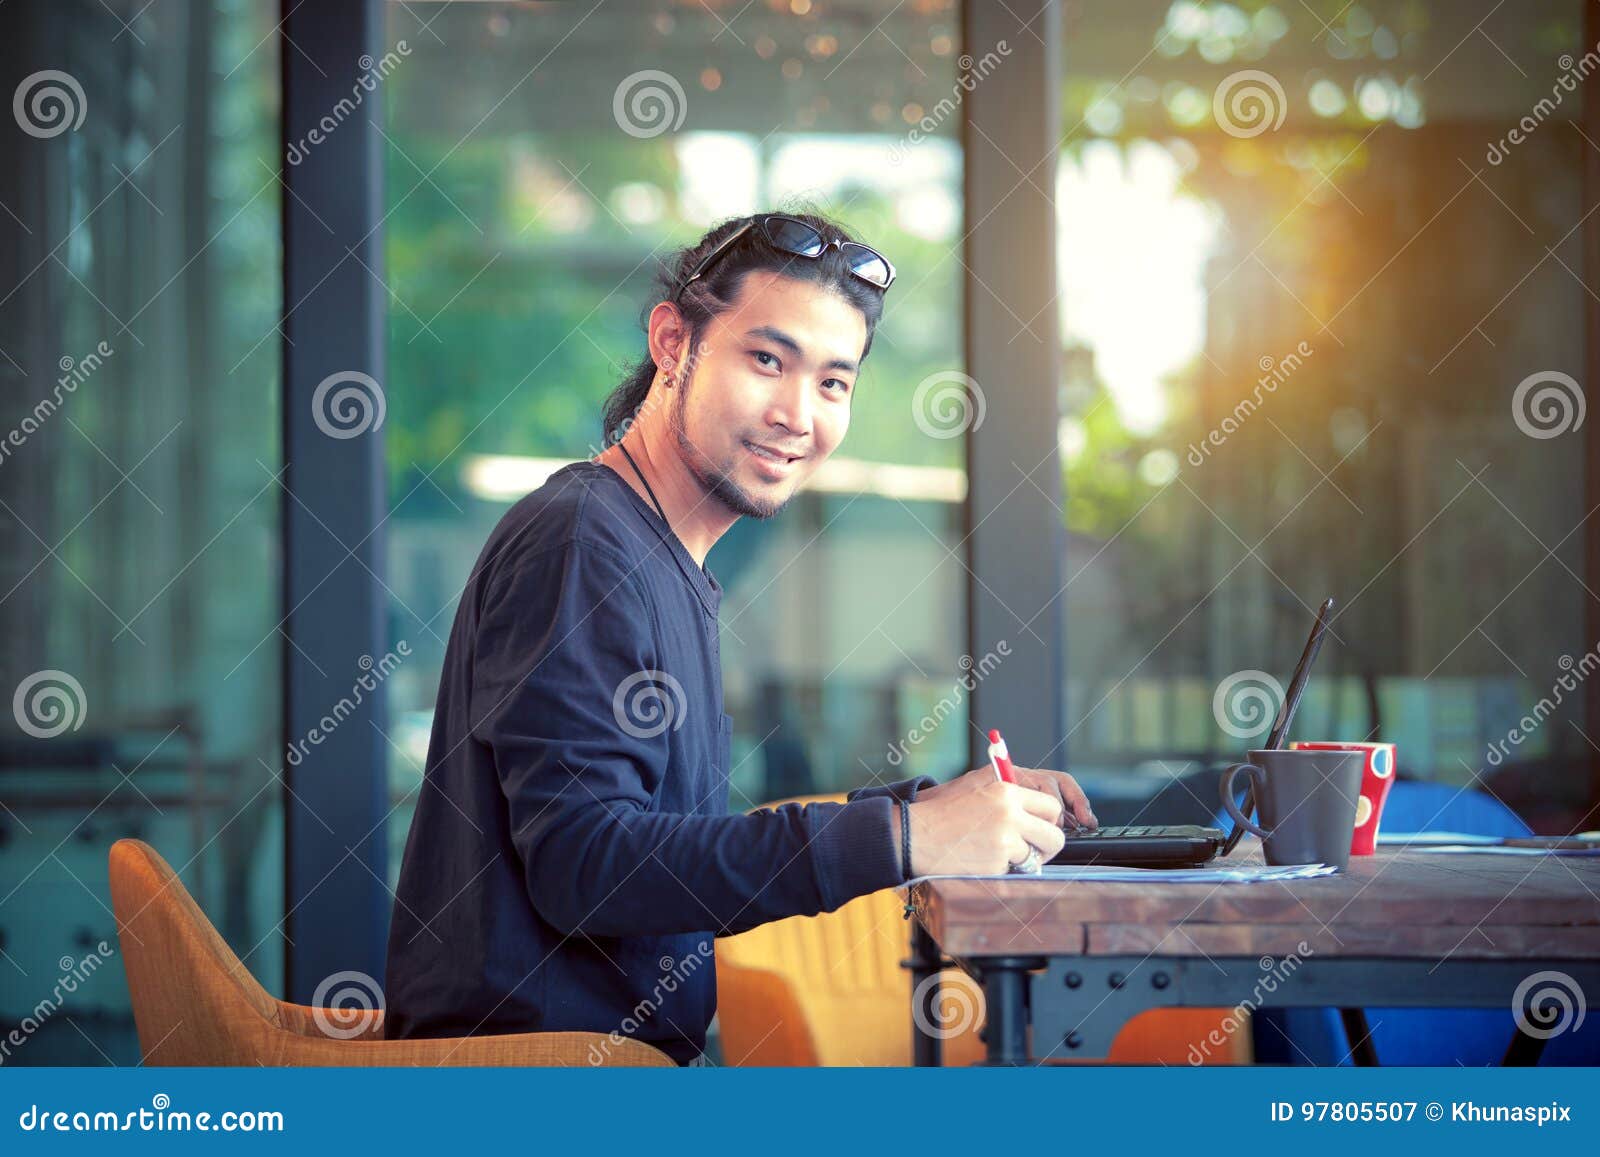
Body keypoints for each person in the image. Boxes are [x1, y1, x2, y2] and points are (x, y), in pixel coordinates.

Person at [383, 211, 1098, 1065]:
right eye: (767, 360)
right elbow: (585, 866)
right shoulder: (584, 544)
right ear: (672, 343)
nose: (798, 413)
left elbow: (654, 844)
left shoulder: (658, 559)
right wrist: (903, 841)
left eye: (833, 382)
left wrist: (930, 812)